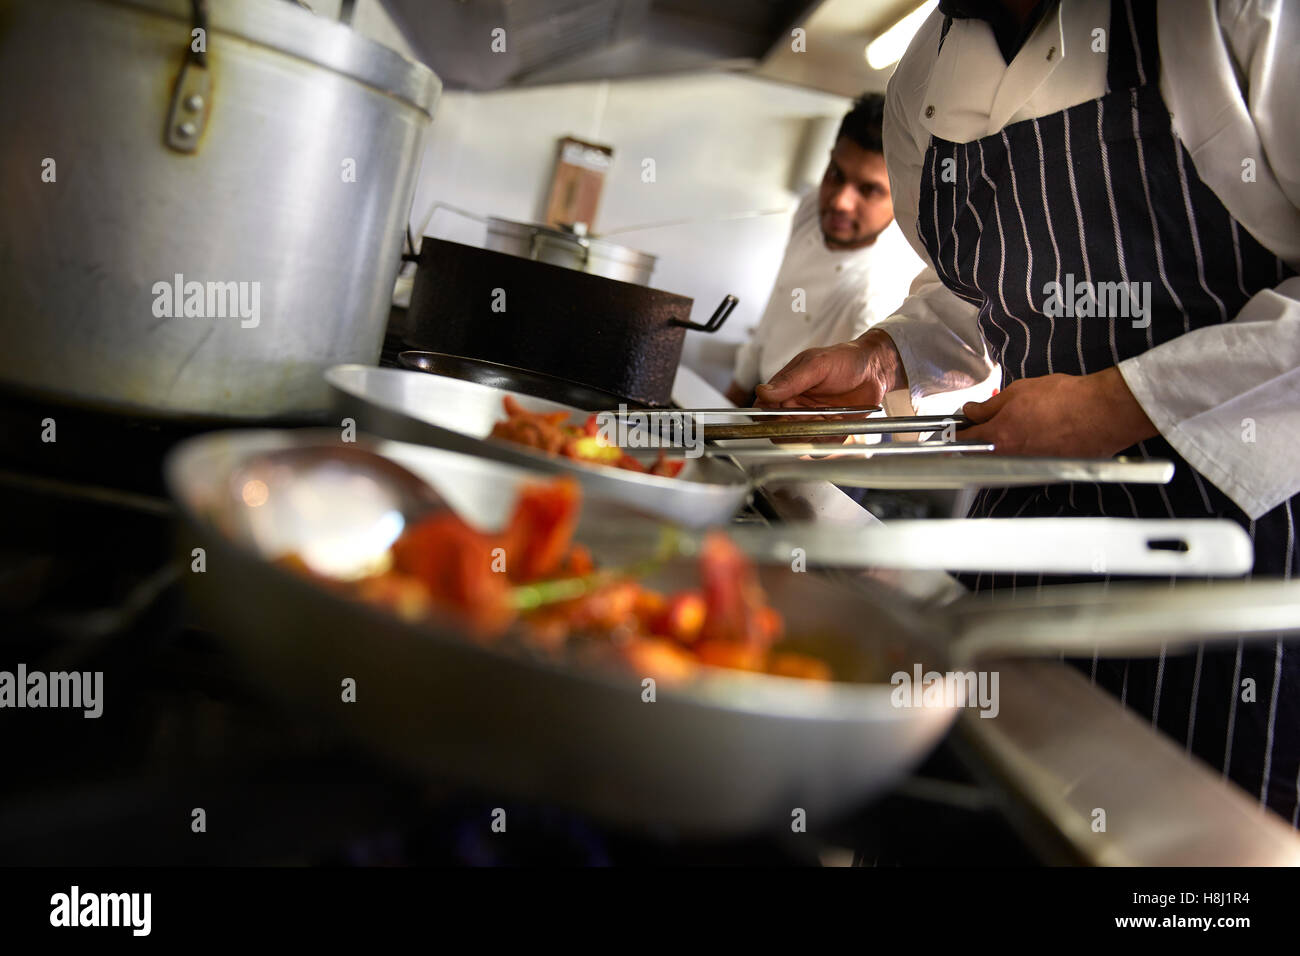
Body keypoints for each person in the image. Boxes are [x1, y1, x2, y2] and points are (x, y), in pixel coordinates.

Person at [755, 0, 1300, 822]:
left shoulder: (1235, 16)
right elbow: (970, 293)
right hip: (1029, 545)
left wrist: (1119, 401)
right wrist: (883, 356)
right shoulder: (922, 78)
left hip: (1243, 568)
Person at [724, 94, 924, 408]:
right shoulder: (810, 209)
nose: (839, 202)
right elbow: (776, 306)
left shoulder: (883, 288)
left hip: (808, 424)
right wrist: (728, 403)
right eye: (836, 174)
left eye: (869, 190)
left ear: (902, 197)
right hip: (760, 394)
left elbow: (855, 423)